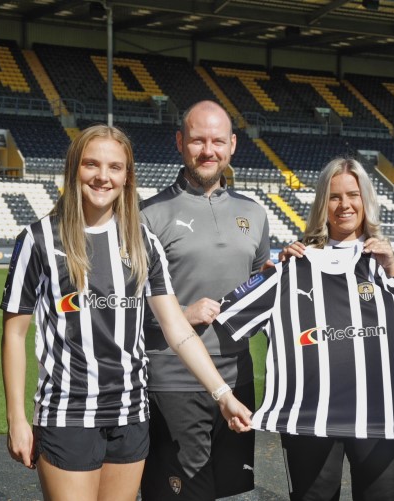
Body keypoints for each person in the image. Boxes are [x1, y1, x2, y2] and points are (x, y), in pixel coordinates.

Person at [0, 125, 252, 501]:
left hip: (131, 414)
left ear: (127, 176)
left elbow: (177, 329)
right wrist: (17, 419)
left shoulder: (141, 241)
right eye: (91, 165)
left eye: (114, 167)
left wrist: (223, 395)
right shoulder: (38, 240)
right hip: (68, 414)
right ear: (74, 170)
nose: (103, 176)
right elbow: (14, 335)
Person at [267, 157, 394, 500]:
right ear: (322, 203)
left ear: (366, 200)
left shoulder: (390, 254)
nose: (344, 204)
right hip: (312, 412)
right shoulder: (298, 259)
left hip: (381, 412)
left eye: (353, 195)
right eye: (334, 196)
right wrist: (282, 272)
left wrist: (392, 266)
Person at [139, 100, 270, 500]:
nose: (207, 150)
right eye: (197, 140)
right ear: (180, 142)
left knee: (231, 493)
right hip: (173, 385)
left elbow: (260, 285)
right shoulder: (147, 215)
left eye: (217, 141)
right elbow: (119, 304)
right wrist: (181, 313)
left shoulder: (255, 213)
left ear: (232, 145)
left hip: (238, 381)